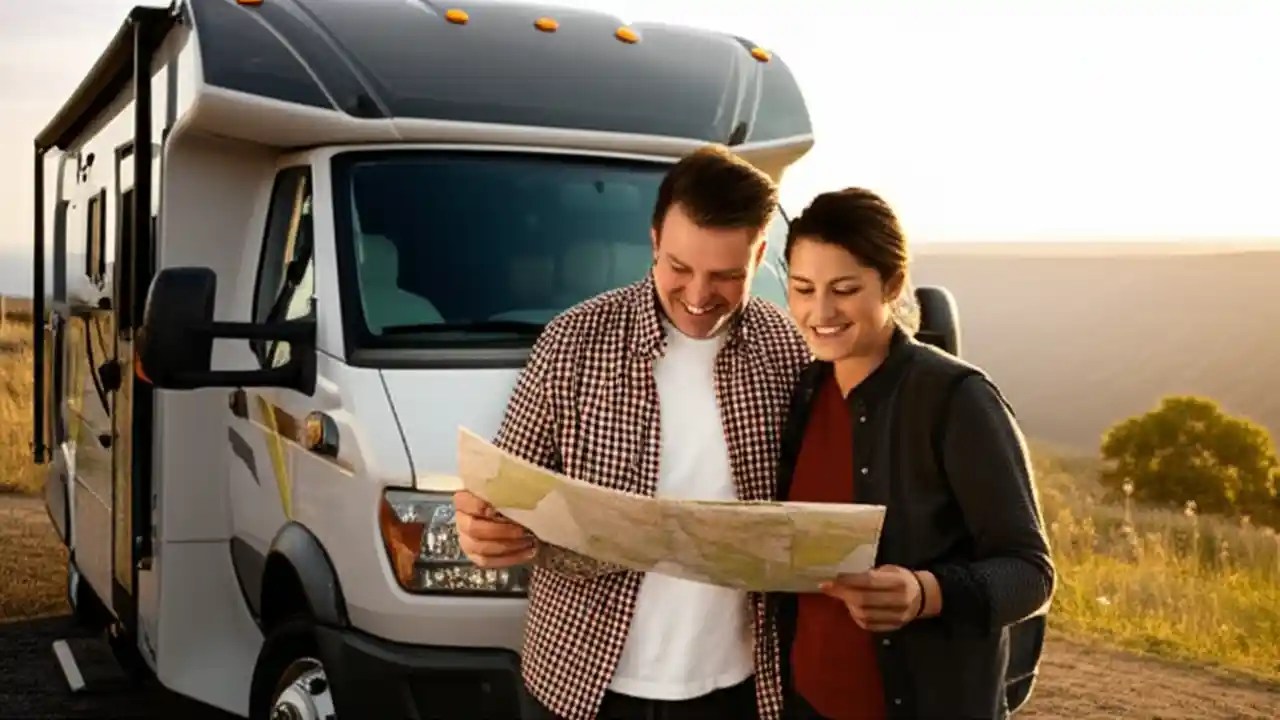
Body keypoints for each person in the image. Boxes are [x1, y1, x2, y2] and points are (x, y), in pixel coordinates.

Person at [452, 145, 812, 720]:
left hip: (742, 687)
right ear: (652, 241)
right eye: (679, 267)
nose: (698, 297)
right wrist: (481, 527)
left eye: (725, 276)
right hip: (581, 682)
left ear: (761, 254)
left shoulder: (788, 348)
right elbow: (504, 495)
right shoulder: (571, 342)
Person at [770, 187, 1056, 719]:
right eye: (803, 289)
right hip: (806, 705)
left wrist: (925, 593)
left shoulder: (957, 398)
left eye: (845, 289)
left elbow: (1030, 573)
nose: (820, 311)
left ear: (893, 283)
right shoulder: (800, 392)